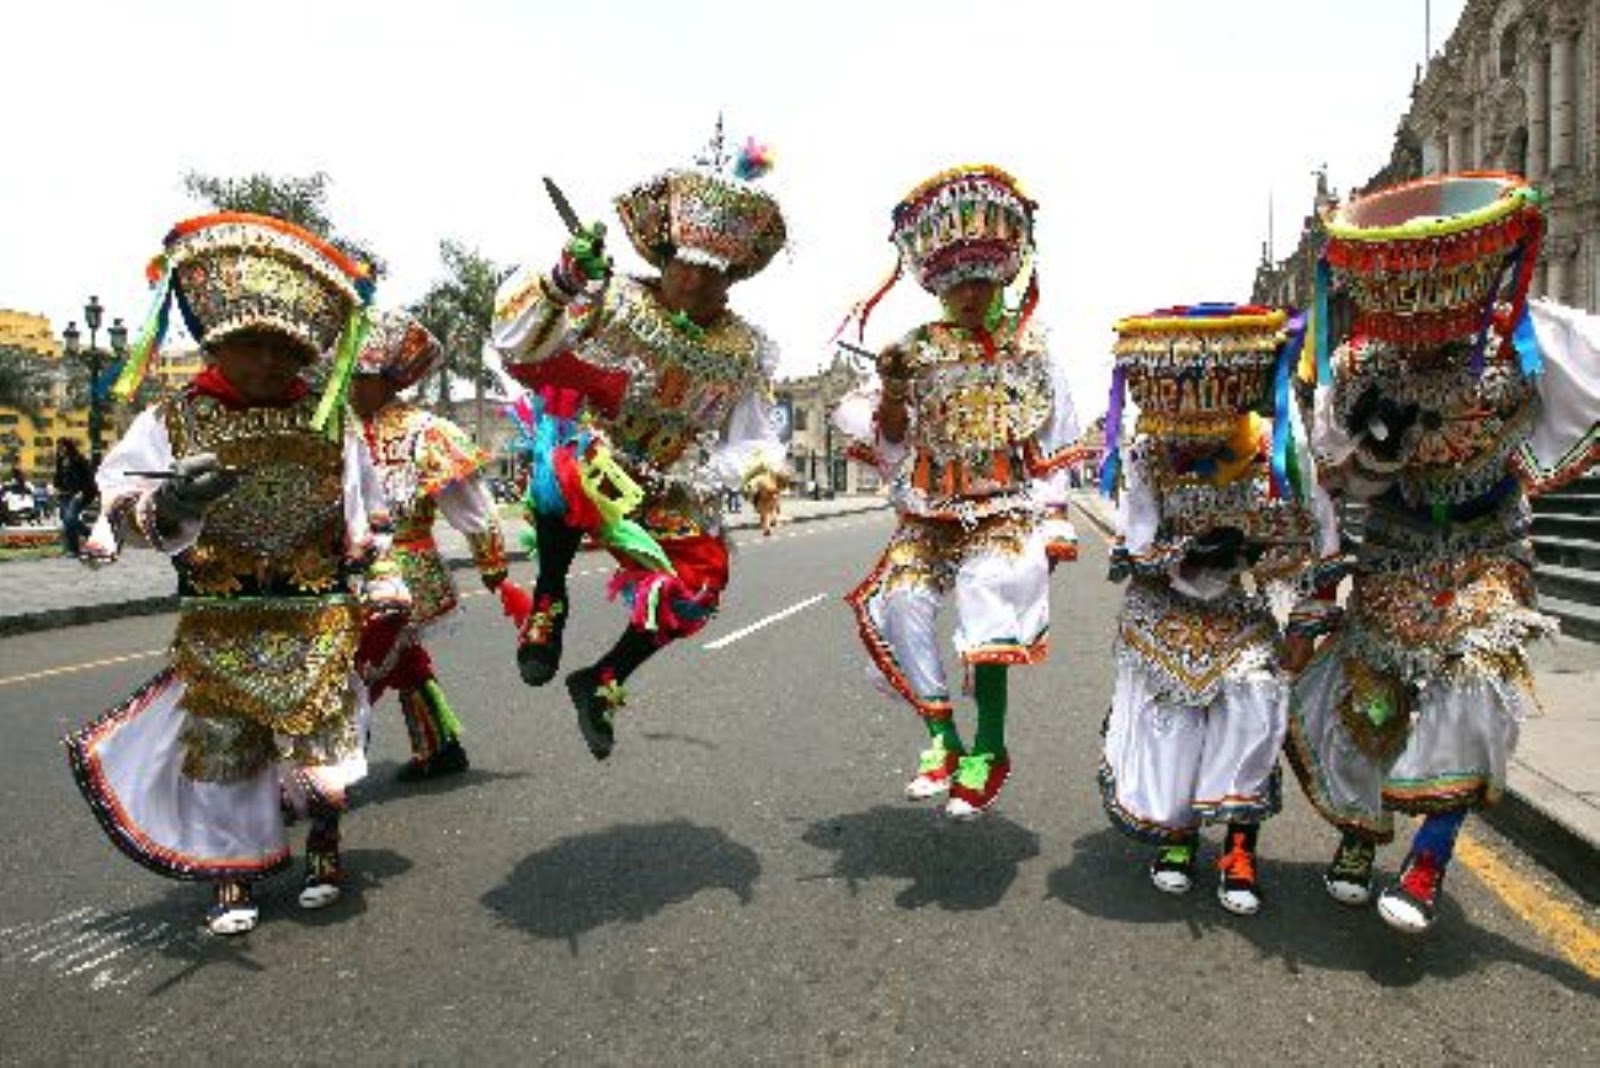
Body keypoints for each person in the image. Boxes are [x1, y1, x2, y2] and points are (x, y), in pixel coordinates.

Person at [65, 211, 406, 936]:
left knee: (324, 743)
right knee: (227, 746)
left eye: (283, 348)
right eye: (250, 345)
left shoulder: (329, 418)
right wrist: (170, 502)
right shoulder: (171, 420)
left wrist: (381, 573)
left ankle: (323, 845)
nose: (267, 363)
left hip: (315, 613)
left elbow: (366, 510)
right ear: (217, 341)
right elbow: (118, 503)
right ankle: (234, 869)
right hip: (220, 618)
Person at [1286, 173, 1600, 933]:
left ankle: (1430, 856)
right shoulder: (1359, 370)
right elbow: (1344, 481)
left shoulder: (1526, 343)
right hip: (1394, 549)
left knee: (1475, 689)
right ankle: (1362, 834)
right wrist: (1379, 450)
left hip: (1488, 545)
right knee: (1373, 703)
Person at [490, 130, 789, 760]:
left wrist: (759, 475)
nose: (694, 283)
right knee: (564, 469)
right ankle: (548, 599)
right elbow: (519, 346)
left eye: (712, 273)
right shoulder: (612, 297)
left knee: (701, 582)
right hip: (591, 442)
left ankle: (602, 681)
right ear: (663, 256)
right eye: (686, 265)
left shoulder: (744, 349)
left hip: (666, 475)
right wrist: (563, 281)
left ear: (732, 275)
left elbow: (754, 433)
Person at [833, 165, 1083, 820]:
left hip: (1001, 508)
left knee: (989, 599)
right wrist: (891, 388)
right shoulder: (914, 350)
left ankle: (990, 748)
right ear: (938, 283)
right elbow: (889, 437)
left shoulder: (1030, 350)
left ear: (998, 275)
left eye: (980, 280)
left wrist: (1055, 516)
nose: (969, 294)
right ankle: (942, 738)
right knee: (903, 601)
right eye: (956, 282)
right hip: (930, 512)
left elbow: (1055, 439)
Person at [1096, 304, 1339, 914]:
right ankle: (1177, 834)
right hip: (1165, 605)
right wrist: (1185, 553)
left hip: (1239, 608)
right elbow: (1138, 541)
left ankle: (1239, 844)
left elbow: (1318, 536)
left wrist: (1304, 622)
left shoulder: (1277, 450)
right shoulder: (1149, 451)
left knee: (1255, 701)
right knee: (1173, 710)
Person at [350, 310, 509, 781]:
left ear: (391, 379)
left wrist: (491, 560)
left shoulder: (426, 431)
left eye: (362, 377)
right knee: (406, 662)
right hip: (351, 570)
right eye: (349, 377)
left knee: (362, 666)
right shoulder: (338, 429)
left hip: (405, 571)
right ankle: (441, 747)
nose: (352, 388)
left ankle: (328, 763)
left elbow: (472, 504)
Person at [54, 439, 94, 551]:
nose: (59, 449)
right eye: (58, 447)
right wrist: (56, 488)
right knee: (66, 520)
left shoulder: (79, 459)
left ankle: (90, 535)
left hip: (77, 494)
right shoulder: (60, 460)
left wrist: (82, 491)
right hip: (64, 494)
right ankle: (74, 549)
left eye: (62, 447)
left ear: (68, 447)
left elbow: (88, 477)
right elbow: (57, 477)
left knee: (70, 519)